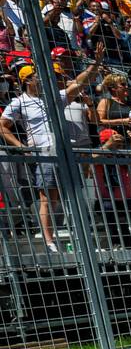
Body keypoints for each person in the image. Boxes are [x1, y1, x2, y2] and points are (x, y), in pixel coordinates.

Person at [1, 57, 102, 254]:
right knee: (48, 198)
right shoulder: (19, 102)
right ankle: (49, 241)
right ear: (27, 80)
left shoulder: (53, 96)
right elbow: (2, 126)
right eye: (36, 77)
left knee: (73, 196)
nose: (40, 79)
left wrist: (95, 63)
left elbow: (80, 83)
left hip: (64, 151)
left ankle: (81, 238)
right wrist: (21, 146)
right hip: (46, 154)